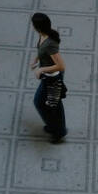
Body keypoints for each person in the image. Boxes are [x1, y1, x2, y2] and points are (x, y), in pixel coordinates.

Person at [29, 13, 68, 143]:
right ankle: (54, 127)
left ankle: (59, 132)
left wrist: (41, 69)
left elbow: (61, 66)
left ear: (37, 27)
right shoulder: (43, 35)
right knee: (45, 103)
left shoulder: (50, 43)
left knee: (51, 105)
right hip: (48, 77)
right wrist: (36, 60)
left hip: (53, 78)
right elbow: (42, 51)